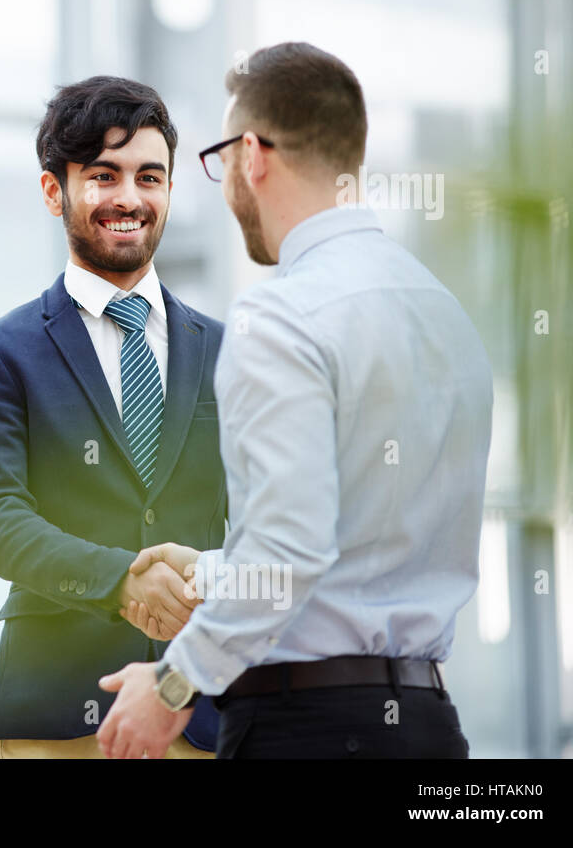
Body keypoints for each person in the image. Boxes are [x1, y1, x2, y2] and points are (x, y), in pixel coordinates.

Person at [96, 42, 493, 758]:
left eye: (218, 161)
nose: (222, 185)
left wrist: (174, 684)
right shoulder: (446, 318)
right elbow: (358, 549)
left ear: (253, 155)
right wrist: (216, 568)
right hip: (429, 731)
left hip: (307, 732)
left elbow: (290, 550)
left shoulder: (278, 317)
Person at [0, 76, 227, 758]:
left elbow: (271, 523)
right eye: (104, 176)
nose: (129, 198)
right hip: (56, 716)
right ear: (55, 192)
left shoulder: (231, 352)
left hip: (202, 712)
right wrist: (122, 578)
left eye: (149, 177)